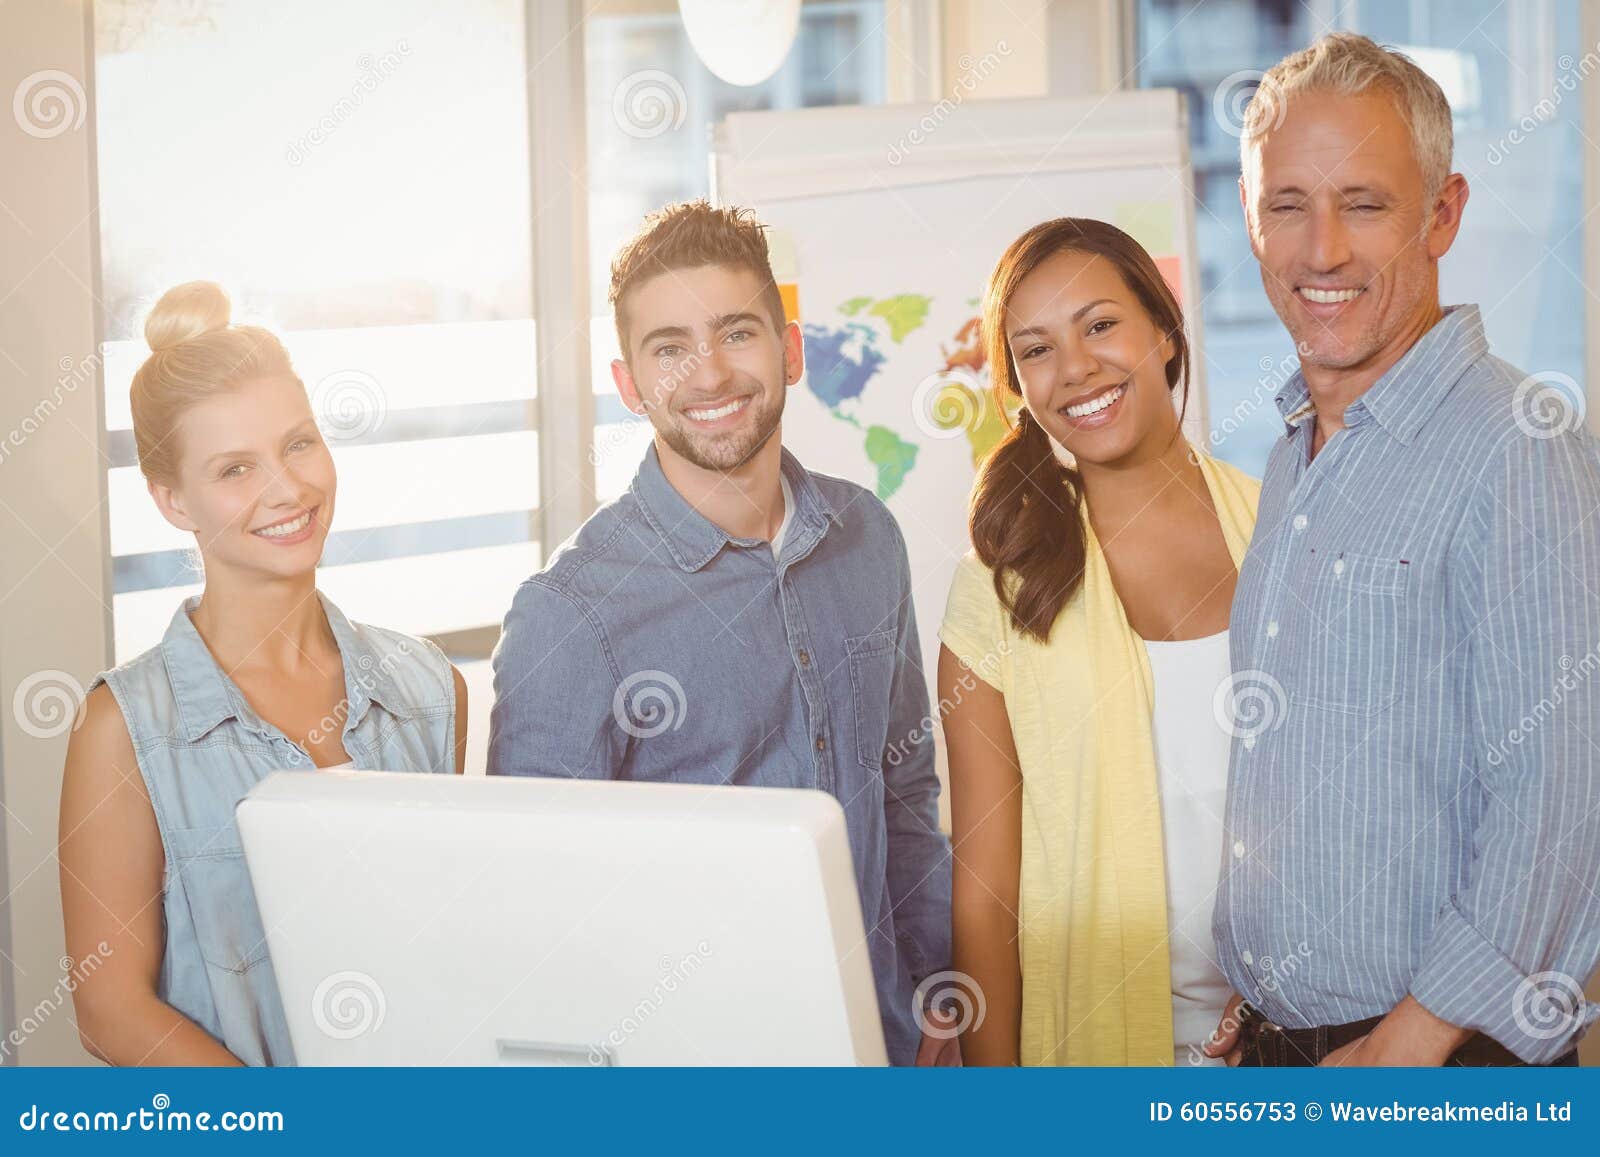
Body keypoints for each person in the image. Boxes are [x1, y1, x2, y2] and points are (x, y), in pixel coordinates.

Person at [1204, 32, 1600, 1068]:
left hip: (1439, 1060)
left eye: (1363, 203)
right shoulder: (1293, 452)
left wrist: (1410, 1042)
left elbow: (1566, 791)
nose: (1321, 248)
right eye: (1286, 203)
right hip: (1291, 1049)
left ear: (1442, 213)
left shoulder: (1521, 446)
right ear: (1249, 218)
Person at [487, 200, 952, 1066]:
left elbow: (905, 794)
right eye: (670, 349)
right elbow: (543, 920)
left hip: (887, 1049)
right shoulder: (570, 614)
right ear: (630, 385)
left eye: (737, 332)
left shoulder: (868, 538)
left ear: (792, 351)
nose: (709, 375)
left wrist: (934, 995)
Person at [60, 282, 467, 1066]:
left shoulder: (427, 687)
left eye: (300, 443)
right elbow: (110, 1011)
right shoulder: (124, 727)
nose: (288, 488)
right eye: (236, 468)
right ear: (173, 500)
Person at [939, 217, 1260, 1066]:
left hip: (1289, 1036)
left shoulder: (1277, 528)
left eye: (1101, 324)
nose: (1075, 368)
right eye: (1036, 350)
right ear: (1016, 385)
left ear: (1162, 328)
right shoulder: (1000, 584)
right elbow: (984, 897)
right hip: (1092, 1051)